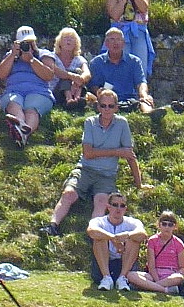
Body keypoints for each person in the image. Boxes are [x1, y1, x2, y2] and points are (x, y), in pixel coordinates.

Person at [44, 88, 145, 234]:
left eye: (110, 106)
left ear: (116, 108)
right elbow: (88, 153)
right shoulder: (90, 122)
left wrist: (139, 183)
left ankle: (92, 233)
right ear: (98, 107)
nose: (107, 109)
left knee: (102, 202)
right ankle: (52, 226)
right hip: (85, 169)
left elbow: (130, 155)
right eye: (103, 105)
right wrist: (117, 151)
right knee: (68, 194)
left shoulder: (122, 124)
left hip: (106, 175)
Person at [0, 26, 55, 145]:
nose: (28, 45)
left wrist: (32, 60)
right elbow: (1, 75)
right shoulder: (11, 56)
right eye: (24, 43)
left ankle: (23, 133)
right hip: (14, 91)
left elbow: (48, 75)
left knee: (31, 109)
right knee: (13, 104)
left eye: (30, 42)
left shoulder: (44, 55)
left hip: (39, 92)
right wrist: (13, 55)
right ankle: (20, 126)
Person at [87, 192, 147, 290]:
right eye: (115, 205)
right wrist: (113, 238)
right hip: (103, 266)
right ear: (108, 207)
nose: (118, 209)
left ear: (125, 208)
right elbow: (91, 231)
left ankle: (122, 278)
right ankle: (106, 278)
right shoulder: (99, 221)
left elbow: (143, 234)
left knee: (134, 240)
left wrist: (128, 235)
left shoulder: (132, 222)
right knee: (99, 239)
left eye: (122, 206)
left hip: (125, 264)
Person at [106, 0, 155, 79]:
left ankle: (140, 91)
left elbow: (143, 8)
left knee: (140, 63)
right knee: (122, 62)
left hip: (139, 31)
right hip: (120, 32)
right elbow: (115, 15)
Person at [88, 28, 154, 114]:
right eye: (112, 39)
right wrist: (101, 93)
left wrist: (144, 95)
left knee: (146, 101)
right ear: (106, 44)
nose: (116, 43)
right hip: (107, 101)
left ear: (123, 43)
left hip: (130, 99)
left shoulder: (134, 61)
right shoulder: (96, 62)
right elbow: (94, 85)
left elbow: (141, 82)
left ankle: (150, 115)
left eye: (118, 39)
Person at [127, 211, 184, 294]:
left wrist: (179, 274)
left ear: (175, 227)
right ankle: (165, 290)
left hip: (171, 275)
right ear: (159, 225)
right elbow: (151, 266)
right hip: (154, 274)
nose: (167, 227)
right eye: (164, 224)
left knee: (179, 278)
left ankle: (147, 286)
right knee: (131, 275)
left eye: (170, 225)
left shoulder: (178, 243)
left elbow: (182, 267)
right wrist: (157, 279)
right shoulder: (152, 241)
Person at [45, 28, 90, 110]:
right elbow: (57, 72)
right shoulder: (51, 57)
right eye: (65, 38)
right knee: (68, 74)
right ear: (59, 42)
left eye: (72, 38)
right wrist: (72, 76)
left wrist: (79, 79)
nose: (68, 40)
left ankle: (77, 98)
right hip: (56, 90)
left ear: (76, 43)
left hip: (75, 89)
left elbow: (87, 74)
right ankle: (68, 99)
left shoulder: (79, 59)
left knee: (78, 72)